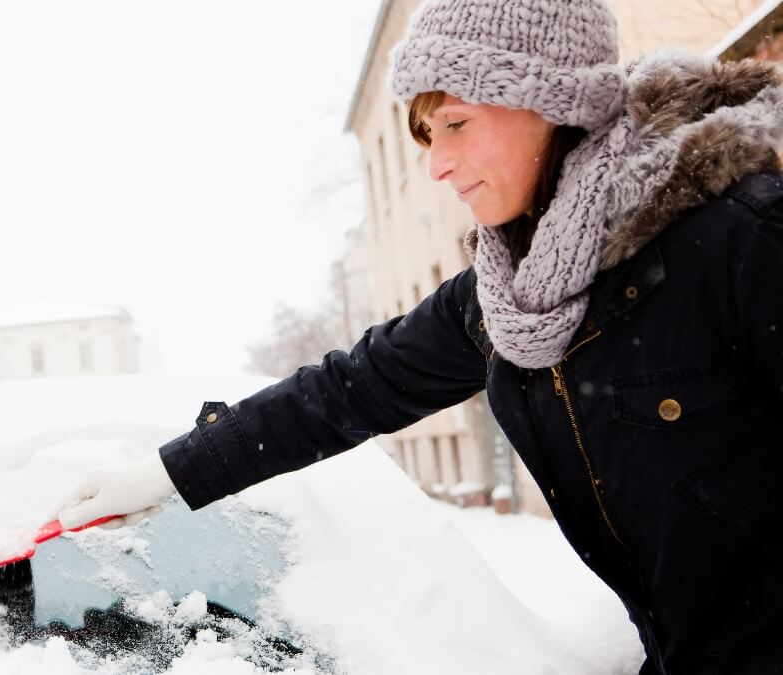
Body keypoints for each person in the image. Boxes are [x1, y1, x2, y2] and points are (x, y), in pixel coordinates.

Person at [53, 0, 783, 671]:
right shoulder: (506, 296)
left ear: (554, 103)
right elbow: (346, 390)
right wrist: (166, 473)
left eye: (458, 124)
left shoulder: (737, 239)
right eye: (429, 135)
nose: (437, 165)